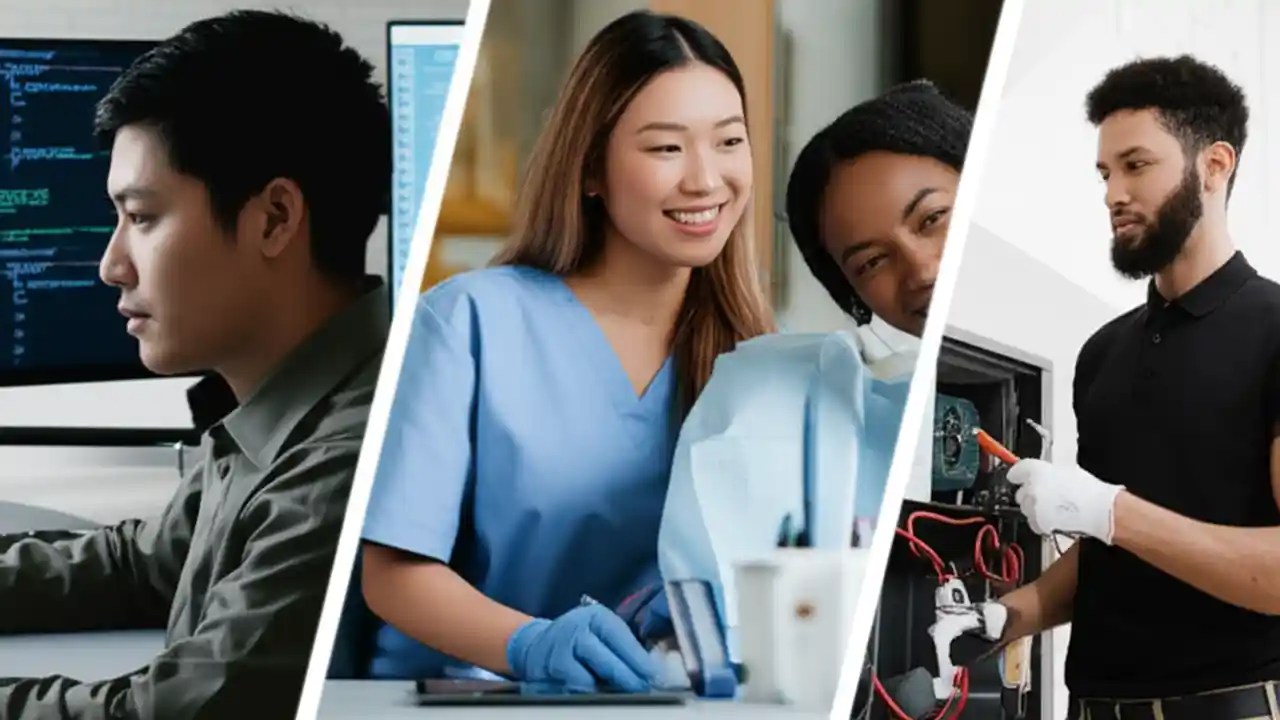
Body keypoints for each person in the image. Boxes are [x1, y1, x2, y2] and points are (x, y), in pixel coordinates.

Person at [357, 10, 772, 691]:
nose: (705, 179)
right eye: (666, 149)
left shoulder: (757, 358)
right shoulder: (469, 321)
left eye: (729, 142)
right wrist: (526, 644)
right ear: (591, 170)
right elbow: (394, 574)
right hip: (462, 697)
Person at [0, 11, 390, 719]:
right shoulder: (282, 407)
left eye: (142, 217)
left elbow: (174, 712)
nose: (111, 265)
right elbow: (144, 565)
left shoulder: (342, 464)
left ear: (274, 218)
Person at [999, 55, 1280, 719]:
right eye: (1104, 172)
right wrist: (1007, 614)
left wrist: (1108, 509)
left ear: (1215, 165)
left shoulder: (1274, 332)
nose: (1112, 193)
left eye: (1136, 165)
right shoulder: (1103, 354)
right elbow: (1110, 554)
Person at [654, 80, 974, 655]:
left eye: (933, 218)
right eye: (872, 260)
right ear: (852, 294)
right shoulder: (767, 397)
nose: (922, 269)